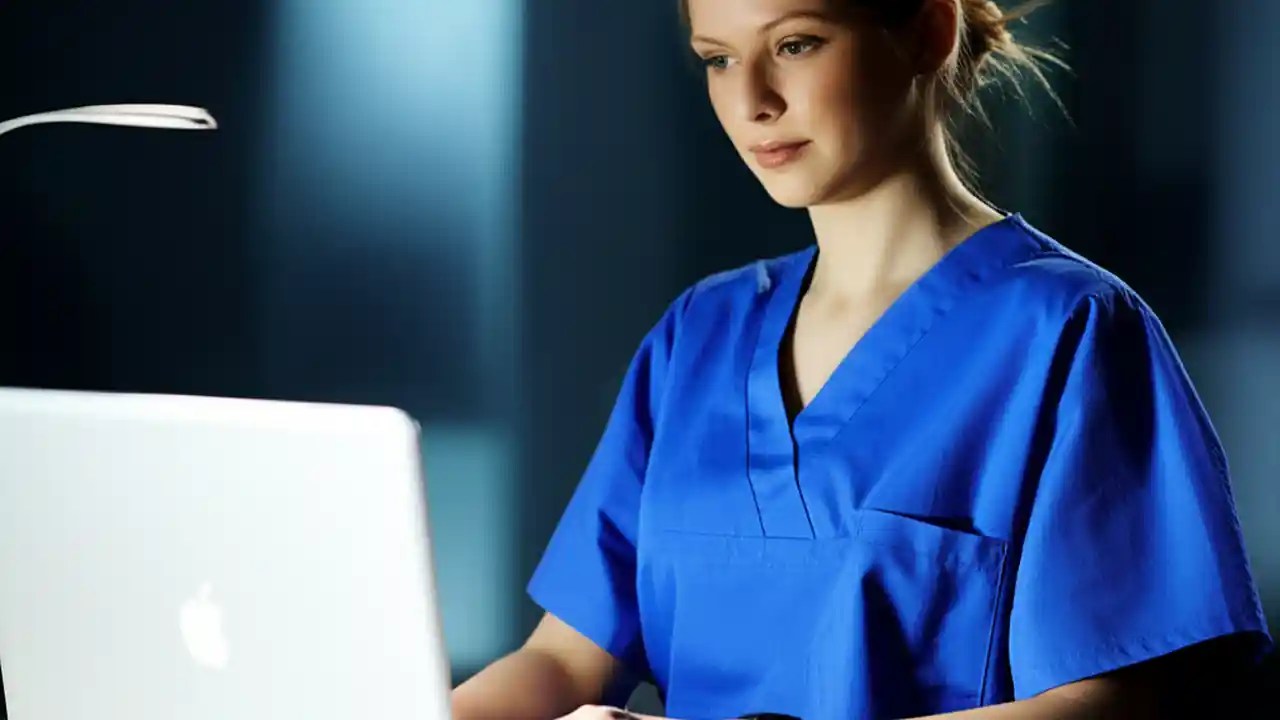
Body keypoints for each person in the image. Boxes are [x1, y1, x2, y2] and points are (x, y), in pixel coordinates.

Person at [451, 0, 1273, 718]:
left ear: (929, 32)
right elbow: (563, 661)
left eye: (797, 44)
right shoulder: (697, 335)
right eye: (718, 59)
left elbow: (1110, 704)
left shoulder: (1068, 330)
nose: (752, 102)